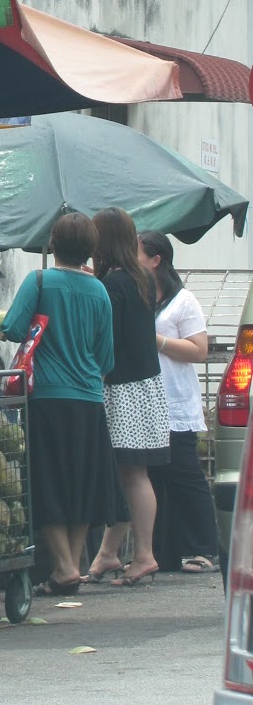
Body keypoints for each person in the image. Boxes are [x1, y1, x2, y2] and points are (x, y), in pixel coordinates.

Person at [0, 211, 117, 596]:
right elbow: (106, 356)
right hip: (88, 398)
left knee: (47, 479)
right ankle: (72, 563)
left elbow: (13, 328)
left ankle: (65, 567)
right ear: (90, 249)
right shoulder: (99, 290)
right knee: (80, 481)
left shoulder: (39, 280)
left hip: (47, 398)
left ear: (52, 245)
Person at [85, 207, 170, 587]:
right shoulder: (140, 279)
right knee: (129, 472)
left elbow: (106, 342)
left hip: (122, 389)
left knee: (132, 473)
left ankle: (144, 555)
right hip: (145, 386)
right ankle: (108, 553)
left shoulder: (111, 285)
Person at [139, 230, 220, 574]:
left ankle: (205, 548)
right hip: (147, 402)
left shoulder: (183, 302)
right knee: (156, 477)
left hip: (176, 404)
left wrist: (157, 340)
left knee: (186, 476)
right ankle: (165, 552)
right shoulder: (142, 297)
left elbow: (199, 350)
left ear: (156, 260)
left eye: (138, 254)